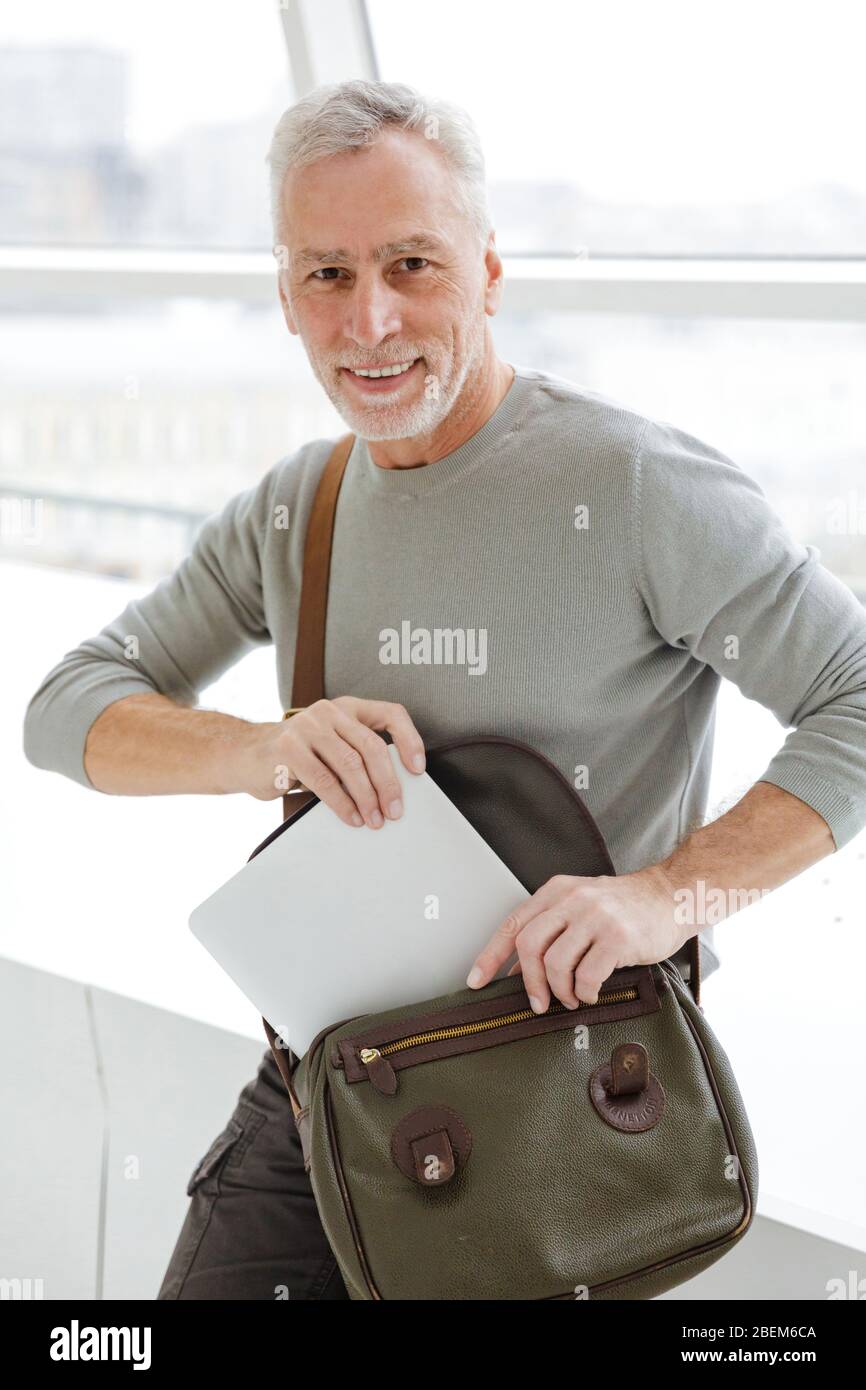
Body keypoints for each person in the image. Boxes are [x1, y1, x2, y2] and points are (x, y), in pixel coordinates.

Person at [23, 80, 866, 1300]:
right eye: (326, 274)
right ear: (284, 298)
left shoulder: (633, 485)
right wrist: (266, 749)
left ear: (486, 270)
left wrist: (665, 900)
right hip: (329, 1085)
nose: (368, 320)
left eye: (410, 264)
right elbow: (65, 709)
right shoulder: (295, 507)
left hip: (558, 1101)